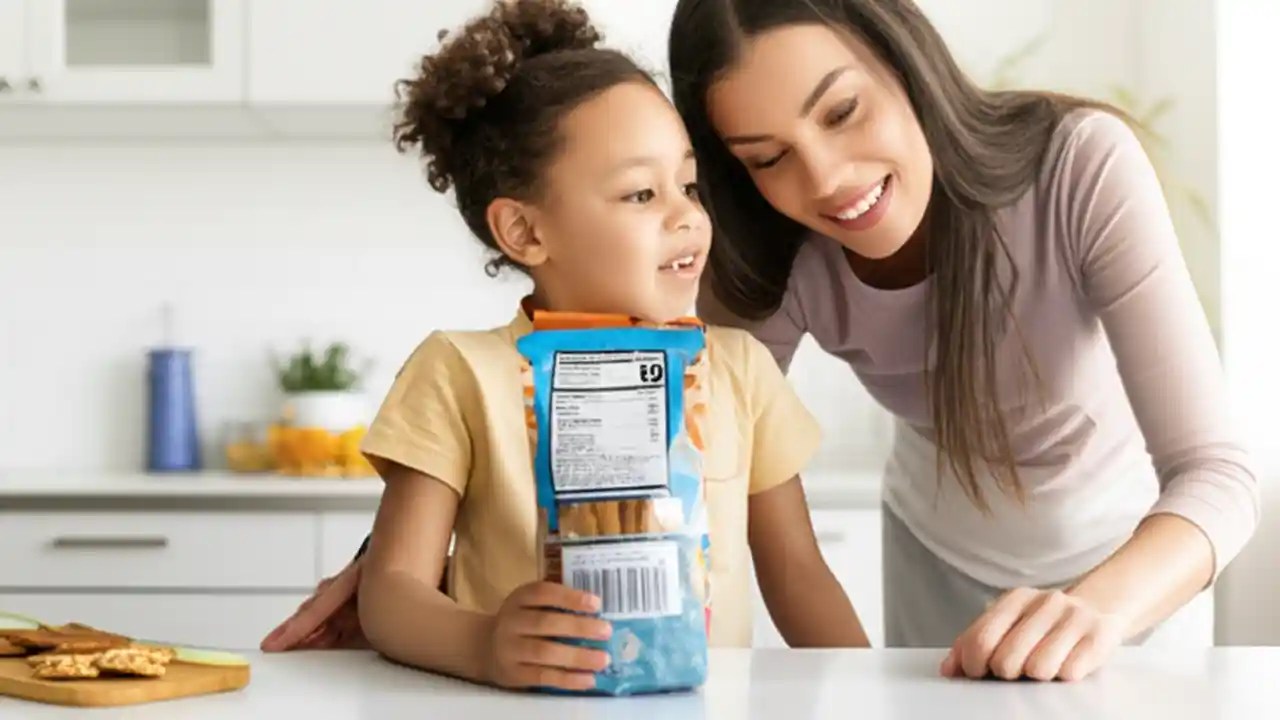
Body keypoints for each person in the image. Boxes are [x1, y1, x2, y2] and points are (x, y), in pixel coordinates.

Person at [263, 0, 1261, 684]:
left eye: (842, 111)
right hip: (937, 552)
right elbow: (683, 457)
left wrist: (1094, 610)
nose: (825, 181)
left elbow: (1216, 475)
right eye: (762, 159)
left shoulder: (1075, 167)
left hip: (1131, 560)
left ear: (898, 56)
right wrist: (401, 577)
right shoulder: (773, 253)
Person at [277, 0, 867, 693]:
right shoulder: (461, 372)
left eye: (688, 185)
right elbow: (391, 592)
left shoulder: (740, 369)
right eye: (641, 194)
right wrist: (482, 641)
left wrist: (879, 695)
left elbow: (798, 573)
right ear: (525, 233)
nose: (686, 215)